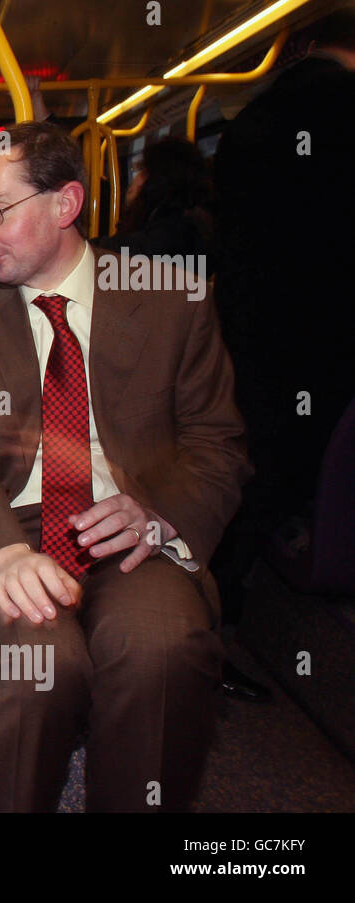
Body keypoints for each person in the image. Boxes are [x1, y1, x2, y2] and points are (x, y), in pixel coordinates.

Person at [0, 121, 251, 811]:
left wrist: (157, 515)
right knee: (37, 663)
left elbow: (220, 445)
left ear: (65, 205)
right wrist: (4, 550)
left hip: (131, 533)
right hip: (9, 527)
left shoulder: (171, 298)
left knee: (160, 648)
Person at [213, 6, 355, 627]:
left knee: (254, 454)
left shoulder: (254, 120)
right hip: (331, 319)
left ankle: (220, 601)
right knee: (311, 453)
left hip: (250, 318)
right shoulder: (345, 108)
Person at [96, 136, 214, 267]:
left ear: (157, 180)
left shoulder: (177, 230)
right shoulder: (189, 222)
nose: (135, 180)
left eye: (142, 171)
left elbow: (134, 251)